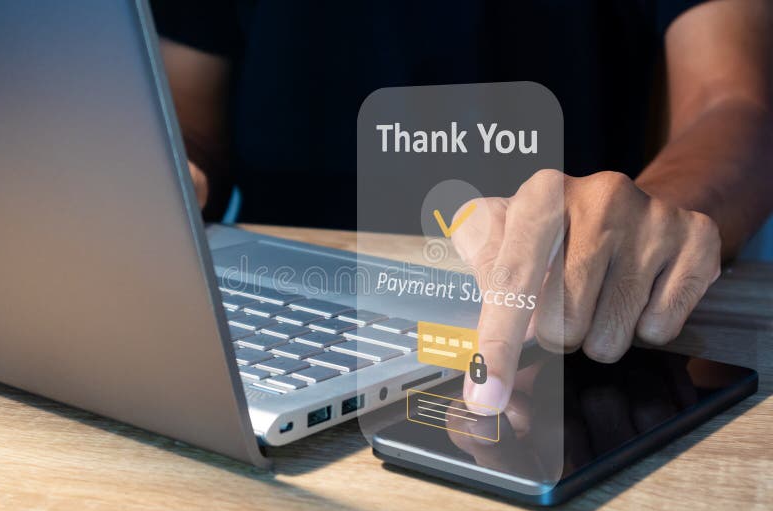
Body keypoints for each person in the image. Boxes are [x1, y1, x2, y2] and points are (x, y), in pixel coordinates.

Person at [151, 0, 773, 411]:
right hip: (279, 298)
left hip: (551, 330)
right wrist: (161, 167)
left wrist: (646, 222)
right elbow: (189, 118)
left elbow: (732, 102)